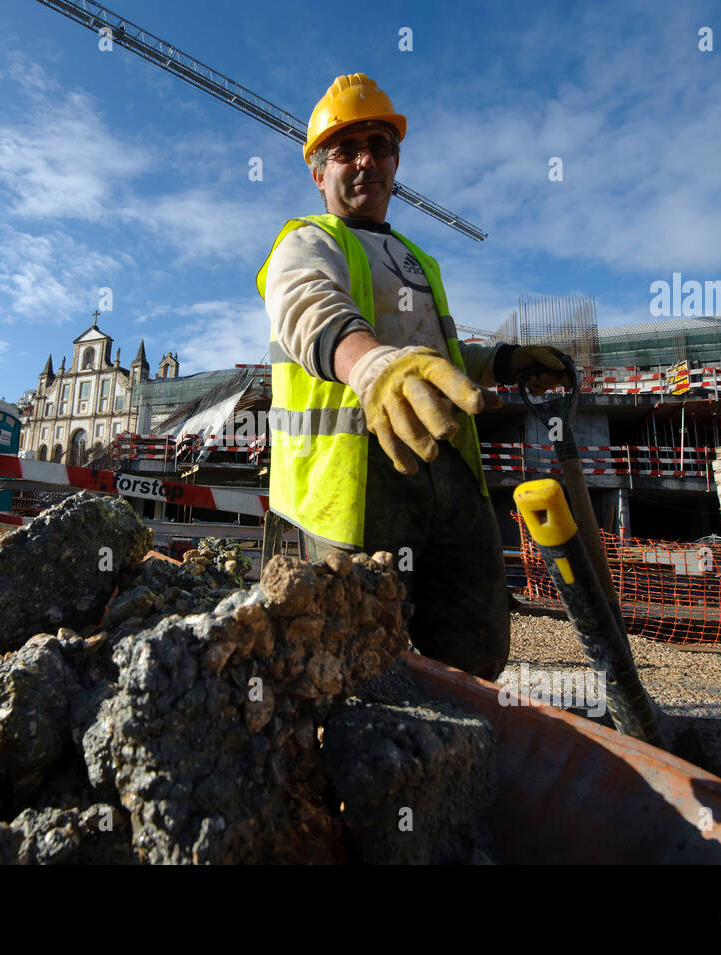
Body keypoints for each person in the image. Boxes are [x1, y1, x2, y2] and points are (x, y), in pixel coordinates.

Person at [256, 73, 570, 679]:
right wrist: (371, 366)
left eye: (380, 145)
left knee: (475, 654)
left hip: (451, 475)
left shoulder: (419, 260)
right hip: (355, 491)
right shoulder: (306, 242)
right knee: (357, 662)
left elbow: (436, 355)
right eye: (346, 150)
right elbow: (310, 311)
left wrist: (504, 361)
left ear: (396, 162)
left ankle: (456, 753)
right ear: (318, 172)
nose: (366, 161)